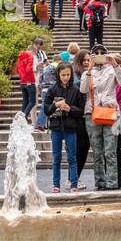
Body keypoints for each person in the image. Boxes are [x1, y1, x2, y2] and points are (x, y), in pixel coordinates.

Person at [79, 50, 121, 191]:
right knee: (97, 150)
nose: (99, 54)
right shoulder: (87, 73)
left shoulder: (112, 70)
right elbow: (83, 89)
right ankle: (100, 181)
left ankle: (112, 182)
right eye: (96, 52)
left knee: (110, 150)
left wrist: (115, 65)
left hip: (110, 111)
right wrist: (89, 69)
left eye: (102, 52)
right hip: (92, 112)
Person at [43, 61, 83, 194]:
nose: (66, 77)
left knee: (72, 157)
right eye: (63, 75)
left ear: (71, 75)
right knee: (56, 158)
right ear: (58, 75)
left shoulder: (76, 90)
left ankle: (74, 185)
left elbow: (81, 111)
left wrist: (70, 108)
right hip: (56, 128)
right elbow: (46, 110)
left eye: (68, 74)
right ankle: (56, 185)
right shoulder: (52, 90)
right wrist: (56, 105)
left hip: (71, 128)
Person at [17, 38, 44, 123]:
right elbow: (30, 69)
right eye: (35, 52)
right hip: (30, 81)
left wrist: (23, 78)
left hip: (22, 82)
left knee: (25, 101)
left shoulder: (20, 58)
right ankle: (23, 117)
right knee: (32, 102)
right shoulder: (30, 57)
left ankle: (21, 118)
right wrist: (29, 80)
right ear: (32, 51)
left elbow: (18, 70)